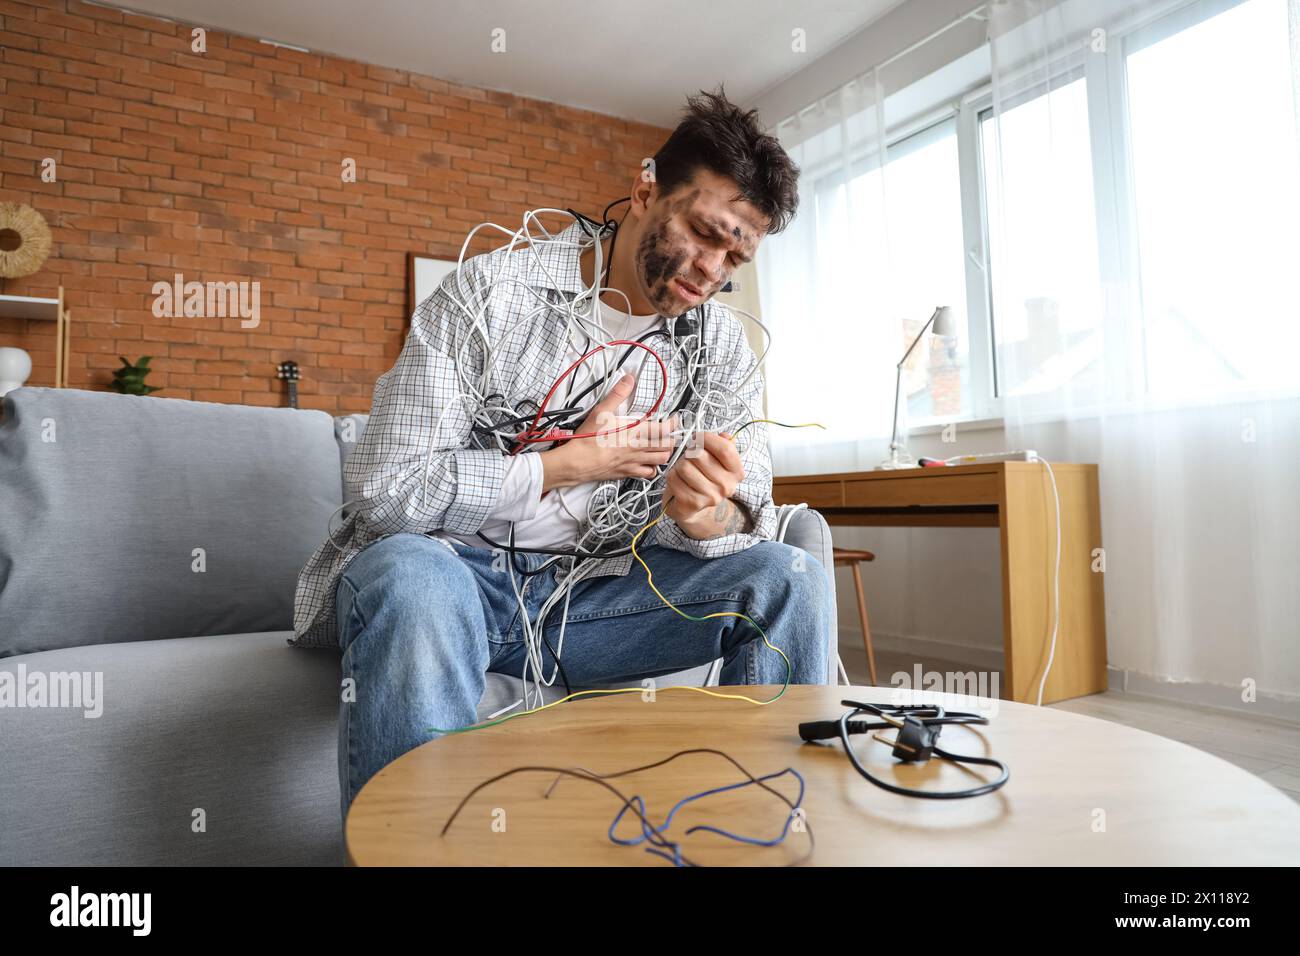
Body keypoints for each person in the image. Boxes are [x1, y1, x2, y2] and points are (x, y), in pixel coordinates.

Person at [289, 87, 834, 822]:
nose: (711, 271)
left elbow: (752, 503)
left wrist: (712, 514)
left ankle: (774, 830)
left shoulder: (721, 346)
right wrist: (565, 464)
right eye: (706, 233)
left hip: (594, 601)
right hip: (458, 584)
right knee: (410, 576)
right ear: (646, 187)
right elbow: (385, 492)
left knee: (790, 572)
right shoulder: (488, 294)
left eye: (734, 256)